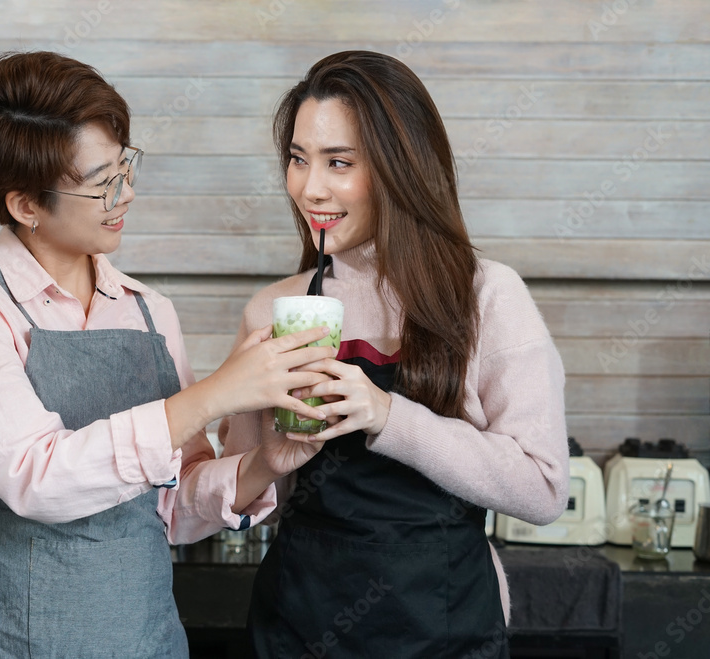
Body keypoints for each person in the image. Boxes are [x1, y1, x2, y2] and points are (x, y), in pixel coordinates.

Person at [0, 51, 336, 658]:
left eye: (125, 167)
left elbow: (173, 507)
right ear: (25, 205)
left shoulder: (148, 311)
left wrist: (264, 464)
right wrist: (212, 396)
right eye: (101, 184)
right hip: (13, 643)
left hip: (146, 641)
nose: (126, 193)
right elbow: (36, 479)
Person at [219, 50, 570, 658]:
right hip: (298, 627)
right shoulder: (273, 309)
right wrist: (267, 455)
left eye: (339, 162)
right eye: (298, 159)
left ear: (401, 167)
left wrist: (388, 416)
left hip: (446, 628)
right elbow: (248, 504)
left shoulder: (487, 296)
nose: (310, 188)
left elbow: (542, 491)